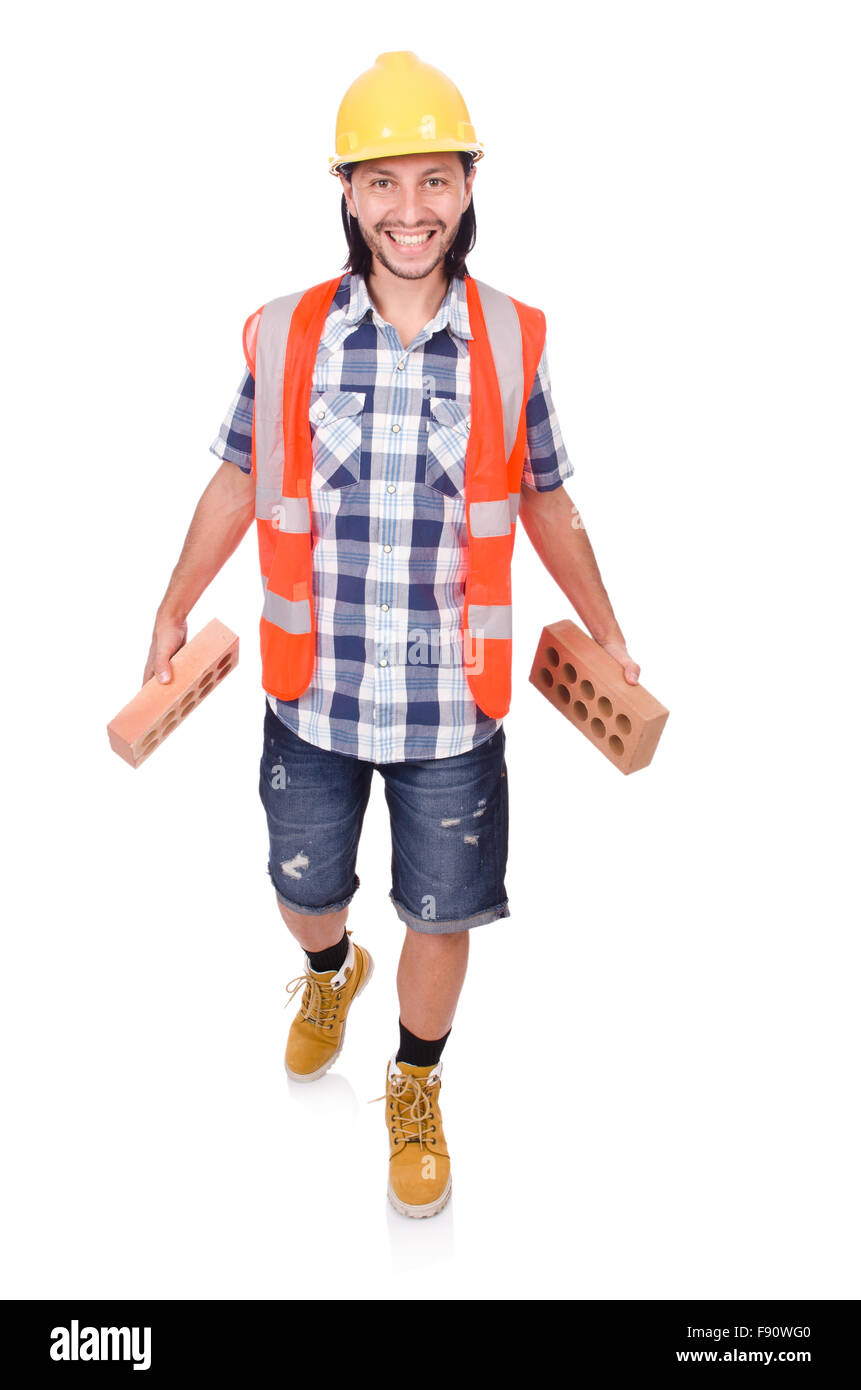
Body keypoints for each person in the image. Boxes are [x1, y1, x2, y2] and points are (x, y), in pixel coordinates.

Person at [142, 51, 640, 1220]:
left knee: (442, 910)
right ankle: (329, 971)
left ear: (468, 186)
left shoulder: (513, 341)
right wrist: (171, 599)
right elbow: (233, 477)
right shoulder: (288, 331)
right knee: (304, 884)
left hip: (449, 706)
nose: (409, 210)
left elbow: (548, 500)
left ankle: (415, 1079)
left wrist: (612, 633)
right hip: (309, 690)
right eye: (382, 183)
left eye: (435, 180)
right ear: (347, 192)